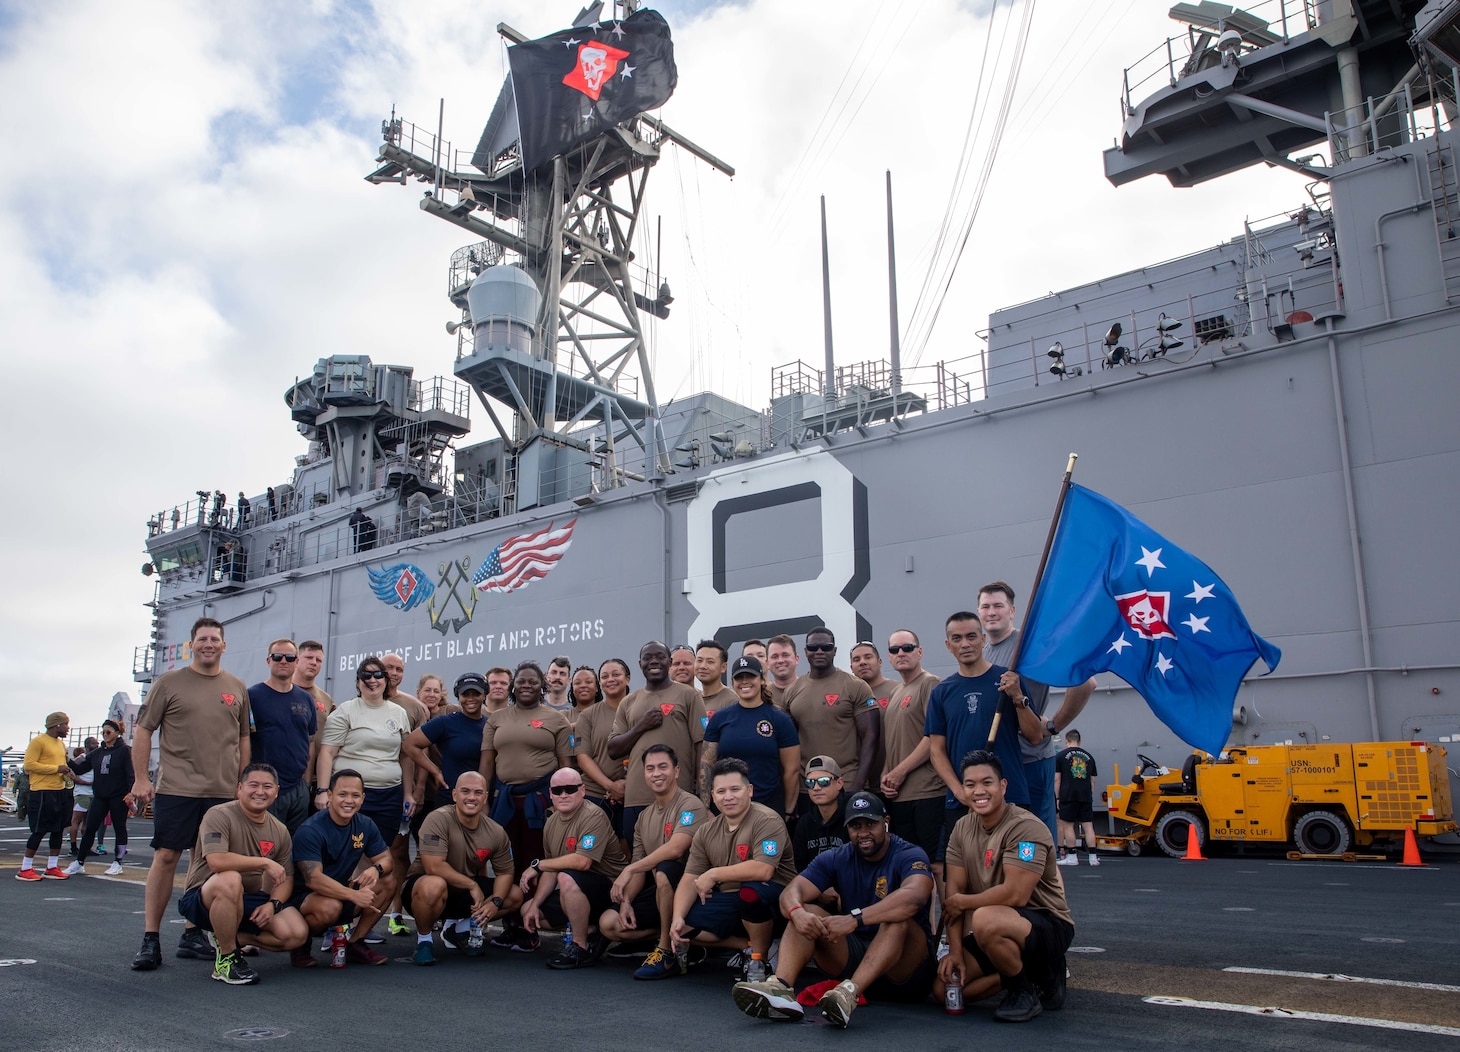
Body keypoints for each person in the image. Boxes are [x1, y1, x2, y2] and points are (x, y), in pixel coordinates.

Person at [733, 791, 936, 1027]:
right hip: (856, 957)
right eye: (855, 826)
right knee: (806, 911)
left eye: (871, 824)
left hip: (906, 972)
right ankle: (781, 989)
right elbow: (791, 891)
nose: (863, 833)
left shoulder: (909, 853)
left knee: (897, 917)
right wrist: (797, 912)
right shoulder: (838, 856)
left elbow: (915, 897)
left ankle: (850, 992)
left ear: (886, 823)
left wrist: (854, 919)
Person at [130, 617, 252, 970]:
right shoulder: (168, 684)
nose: (208, 644)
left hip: (223, 792)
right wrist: (141, 778)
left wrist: (242, 782)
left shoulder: (237, 687)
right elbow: (144, 730)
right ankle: (150, 938)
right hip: (178, 788)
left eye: (215, 639)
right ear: (192, 645)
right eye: (202, 639)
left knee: (206, 862)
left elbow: (244, 737)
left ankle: (192, 932)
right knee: (166, 857)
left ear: (224, 645)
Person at [936, 750, 1074, 1023]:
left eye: (987, 783)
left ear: (1003, 786)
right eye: (970, 784)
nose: (978, 791)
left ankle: (1024, 990)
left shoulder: (1025, 827)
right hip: (997, 924)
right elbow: (953, 898)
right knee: (945, 990)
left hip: (1046, 922)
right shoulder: (962, 828)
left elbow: (1016, 895)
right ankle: (1026, 975)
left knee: (985, 918)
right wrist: (955, 952)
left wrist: (964, 903)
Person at [925, 612, 1041, 884]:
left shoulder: (1008, 680)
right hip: (962, 802)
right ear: (948, 645)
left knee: (1012, 875)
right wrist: (958, 790)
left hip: (1009, 796)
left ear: (983, 639)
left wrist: (1017, 697)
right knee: (965, 879)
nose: (964, 643)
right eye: (957, 638)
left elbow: (1035, 736)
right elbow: (936, 751)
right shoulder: (942, 692)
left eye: (970, 636)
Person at [979, 581, 1096, 843]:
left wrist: (1053, 726)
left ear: (1012, 611)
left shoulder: (1030, 646)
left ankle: (1045, 885)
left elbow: (1085, 682)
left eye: (999, 605)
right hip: (996, 764)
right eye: (985, 606)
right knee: (1003, 842)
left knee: (1036, 842)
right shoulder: (982, 653)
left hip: (1029, 760)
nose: (991, 612)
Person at [176, 763, 309, 985]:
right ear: (239, 788)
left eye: (267, 786)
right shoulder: (218, 814)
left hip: (246, 898)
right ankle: (227, 961)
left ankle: (227, 936)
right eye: (253, 785)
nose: (260, 791)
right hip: (203, 897)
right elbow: (217, 861)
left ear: (276, 791)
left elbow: (285, 878)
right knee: (230, 878)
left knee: (296, 933)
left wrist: (273, 904)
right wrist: (264, 862)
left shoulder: (279, 830)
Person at [479, 661, 573, 953]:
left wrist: (561, 803)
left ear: (542, 685)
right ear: (512, 685)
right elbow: (486, 763)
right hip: (505, 801)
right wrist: (482, 799)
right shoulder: (496, 719)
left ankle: (529, 928)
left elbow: (566, 766)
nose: (526, 685)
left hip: (540, 801)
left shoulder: (556, 720)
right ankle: (511, 926)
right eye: (521, 681)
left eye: (533, 681)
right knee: (507, 864)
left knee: (535, 862)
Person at [670, 758, 797, 973]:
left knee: (750, 893)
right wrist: (677, 918)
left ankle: (760, 960)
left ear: (749, 790)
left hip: (774, 897)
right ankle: (747, 946)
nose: (728, 797)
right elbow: (691, 876)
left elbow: (764, 870)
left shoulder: (767, 820)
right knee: (683, 925)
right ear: (712, 796)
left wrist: (714, 874)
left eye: (735, 789)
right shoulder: (706, 830)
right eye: (721, 791)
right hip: (732, 900)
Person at [599, 744, 706, 980]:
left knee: (663, 871)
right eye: (650, 768)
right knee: (609, 924)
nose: (656, 773)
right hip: (662, 892)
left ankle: (666, 953)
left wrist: (630, 868)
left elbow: (677, 848)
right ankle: (676, 937)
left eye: (663, 767)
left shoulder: (690, 805)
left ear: (676, 771)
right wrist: (627, 900)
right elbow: (639, 863)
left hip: (695, 889)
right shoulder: (644, 817)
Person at [401, 771, 523, 965]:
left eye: (477, 792)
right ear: (455, 795)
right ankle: (424, 941)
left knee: (514, 895)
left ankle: (459, 930)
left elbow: (505, 872)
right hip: (423, 890)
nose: (471, 797)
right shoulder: (437, 819)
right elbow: (433, 866)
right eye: (465, 791)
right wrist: (472, 886)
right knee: (434, 884)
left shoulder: (496, 831)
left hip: (462, 894)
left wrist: (495, 902)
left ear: (485, 797)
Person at [520, 767, 628, 968]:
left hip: (611, 889)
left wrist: (537, 865)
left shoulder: (593, 815)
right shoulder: (551, 824)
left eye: (570, 789)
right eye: (558, 790)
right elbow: (552, 868)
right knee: (529, 911)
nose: (563, 795)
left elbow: (583, 862)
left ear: (583, 790)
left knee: (567, 878)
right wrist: (535, 904)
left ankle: (580, 947)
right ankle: (594, 930)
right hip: (579, 889)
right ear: (550, 794)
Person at [288, 768, 393, 967]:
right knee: (330, 907)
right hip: (306, 898)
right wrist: (353, 895)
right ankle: (301, 945)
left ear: (362, 798)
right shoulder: (311, 830)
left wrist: (375, 869)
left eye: (355, 795)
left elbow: (387, 859)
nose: (349, 801)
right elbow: (314, 879)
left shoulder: (365, 824)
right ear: (329, 795)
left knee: (387, 881)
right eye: (342, 794)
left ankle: (355, 944)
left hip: (341, 890)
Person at [608, 641, 706, 845]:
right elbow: (613, 749)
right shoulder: (629, 701)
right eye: (647, 658)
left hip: (679, 795)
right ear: (639, 664)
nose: (654, 661)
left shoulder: (689, 695)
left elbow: (701, 744)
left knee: (676, 859)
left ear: (669, 662)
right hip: (637, 797)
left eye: (660, 657)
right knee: (639, 859)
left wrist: (701, 790)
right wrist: (641, 725)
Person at [316, 657, 413, 852]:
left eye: (378, 675)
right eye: (366, 675)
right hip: (350, 795)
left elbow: (406, 756)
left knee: (381, 851)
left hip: (389, 796)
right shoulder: (346, 711)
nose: (372, 680)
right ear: (358, 682)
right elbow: (327, 752)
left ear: (385, 680)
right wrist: (322, 791)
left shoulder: (399, 713)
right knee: (349, 852)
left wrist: (408, 793)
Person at [781, 627, 880, 800]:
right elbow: (787, 745)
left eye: (825, 647)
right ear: (805, 651)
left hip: (845, 783)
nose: (819, 651)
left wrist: (858, 785)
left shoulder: (855, 686)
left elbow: (870, 737)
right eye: (813, 647)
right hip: (808, 788)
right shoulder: (791, 691)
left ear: (834, 650)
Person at [701, 655, 800, 819]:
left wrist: (788, 810)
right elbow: (706, 764)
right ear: (732, 682)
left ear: (762, 680)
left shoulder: (780, 719)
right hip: (727, 808)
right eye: (739, 677)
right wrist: (706, 807)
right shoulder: (720, 718)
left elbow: (792, 770)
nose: (744, 681)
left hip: (768, 808)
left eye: (750, 676)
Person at [878, 630, 945, 866]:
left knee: (935, 866)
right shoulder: (896, 692)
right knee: (910, 865)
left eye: (907, 647)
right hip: (900, 795)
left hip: (928, 792)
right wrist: (887, 773)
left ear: (920, 651)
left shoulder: (930, 684)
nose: (901, 653)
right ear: (889, 657)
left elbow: (933, 738)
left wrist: (900, 771)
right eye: (895, 650)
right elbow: (893, 741)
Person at [247, 639, 318, 834]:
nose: (283, 661)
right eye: (277, 657)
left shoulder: (306, 699)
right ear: (269, 661)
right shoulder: (252, 696)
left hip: (297, 789)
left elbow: (310, 741)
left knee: (294, 846)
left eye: (290, 657)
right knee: (263, 844)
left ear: (296, 662)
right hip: (264, 787)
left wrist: (304, 783)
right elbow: (242, 741)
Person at [64, 720, 134, 876]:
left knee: (119, 827)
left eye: (108, 732)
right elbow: (81, 768)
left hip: (118, 796)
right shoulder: (98, 752)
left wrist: (131, 792)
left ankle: (118, 861)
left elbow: (131, 773)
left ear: (117, 733)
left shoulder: (124, 751)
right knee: (90, 828)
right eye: (103, 732)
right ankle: (80, 861)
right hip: (100, 795)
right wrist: (67, 760)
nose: (105, 735)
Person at [574, 659, 630, 842]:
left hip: (634, 793)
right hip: (595, 794)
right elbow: (583, 757)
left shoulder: (639, 708)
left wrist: (626, 784)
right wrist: (610, 786)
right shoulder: (588, 715)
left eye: (616, 674)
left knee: (630, 848)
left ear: (627, 678)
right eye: (604, 676)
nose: (610, 679)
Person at [18, 711, 73, 881]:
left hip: (60, 790)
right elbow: (29, 764)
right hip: (41, 791)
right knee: (39, 830)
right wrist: (56, 769)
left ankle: (52, 866)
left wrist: (66, 773)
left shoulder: (61, 745)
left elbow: (63, 765)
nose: (68, 728)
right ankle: (25, 868)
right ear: (57, 725)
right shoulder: (39, 742)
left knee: (58, 829)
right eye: (65, 724)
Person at [292, 640, 333, 800]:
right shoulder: (282, 691)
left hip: (317, 780)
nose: (313, 663)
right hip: (286, 776)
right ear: (297, 659)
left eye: (318, 660)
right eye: (308, 657)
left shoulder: (326, 699)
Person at [793, 755, 849, 872]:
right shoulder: (804, 824)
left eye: (824, 782)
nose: (816, 788)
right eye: (810, 783)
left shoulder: (853, 816)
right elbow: (801, 866)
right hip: (816, 886)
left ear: (839, 783)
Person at [1055, 730, 1100, 866]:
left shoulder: (1061, 756)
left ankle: (1072, 856)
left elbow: (1057, 779)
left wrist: (1058, 797)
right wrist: (1089, 794)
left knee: (1068, 826)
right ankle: (1093, 857)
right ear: (1079, 741)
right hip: (1085, 795)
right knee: (1088, 826)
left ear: (1066, 741)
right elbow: (1093, 780)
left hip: (1068, 795)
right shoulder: (1089, 757)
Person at [68, 741, 96, 857]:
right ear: (87, 745)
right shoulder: (82, 758)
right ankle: (73, 846)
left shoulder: (97, 757)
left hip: (93, 793)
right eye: (93, 743)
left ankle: (86, 846)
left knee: (88, 822)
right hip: (82, 793)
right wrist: (77, 780)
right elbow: (72, 768)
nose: (97, 744)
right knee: (76, 820)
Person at [850, 642, 897, 711]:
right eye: (857, 660)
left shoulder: (896, 690)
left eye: (868, 657)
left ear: (879, 662)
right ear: (851, 668)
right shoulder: (848, 695)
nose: (862, 662)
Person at [694, 640, 731, 712]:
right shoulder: (694, 699)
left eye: (710, 662)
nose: (703, 666)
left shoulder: (731, 701)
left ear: (723, 667)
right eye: (699, 660)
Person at [765, 635, 799, 710]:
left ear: (797, 659)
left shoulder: (809, 689)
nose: (780, 661)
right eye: (774, 656)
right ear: (767, 663)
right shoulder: (763, 697)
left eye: (785, 655)